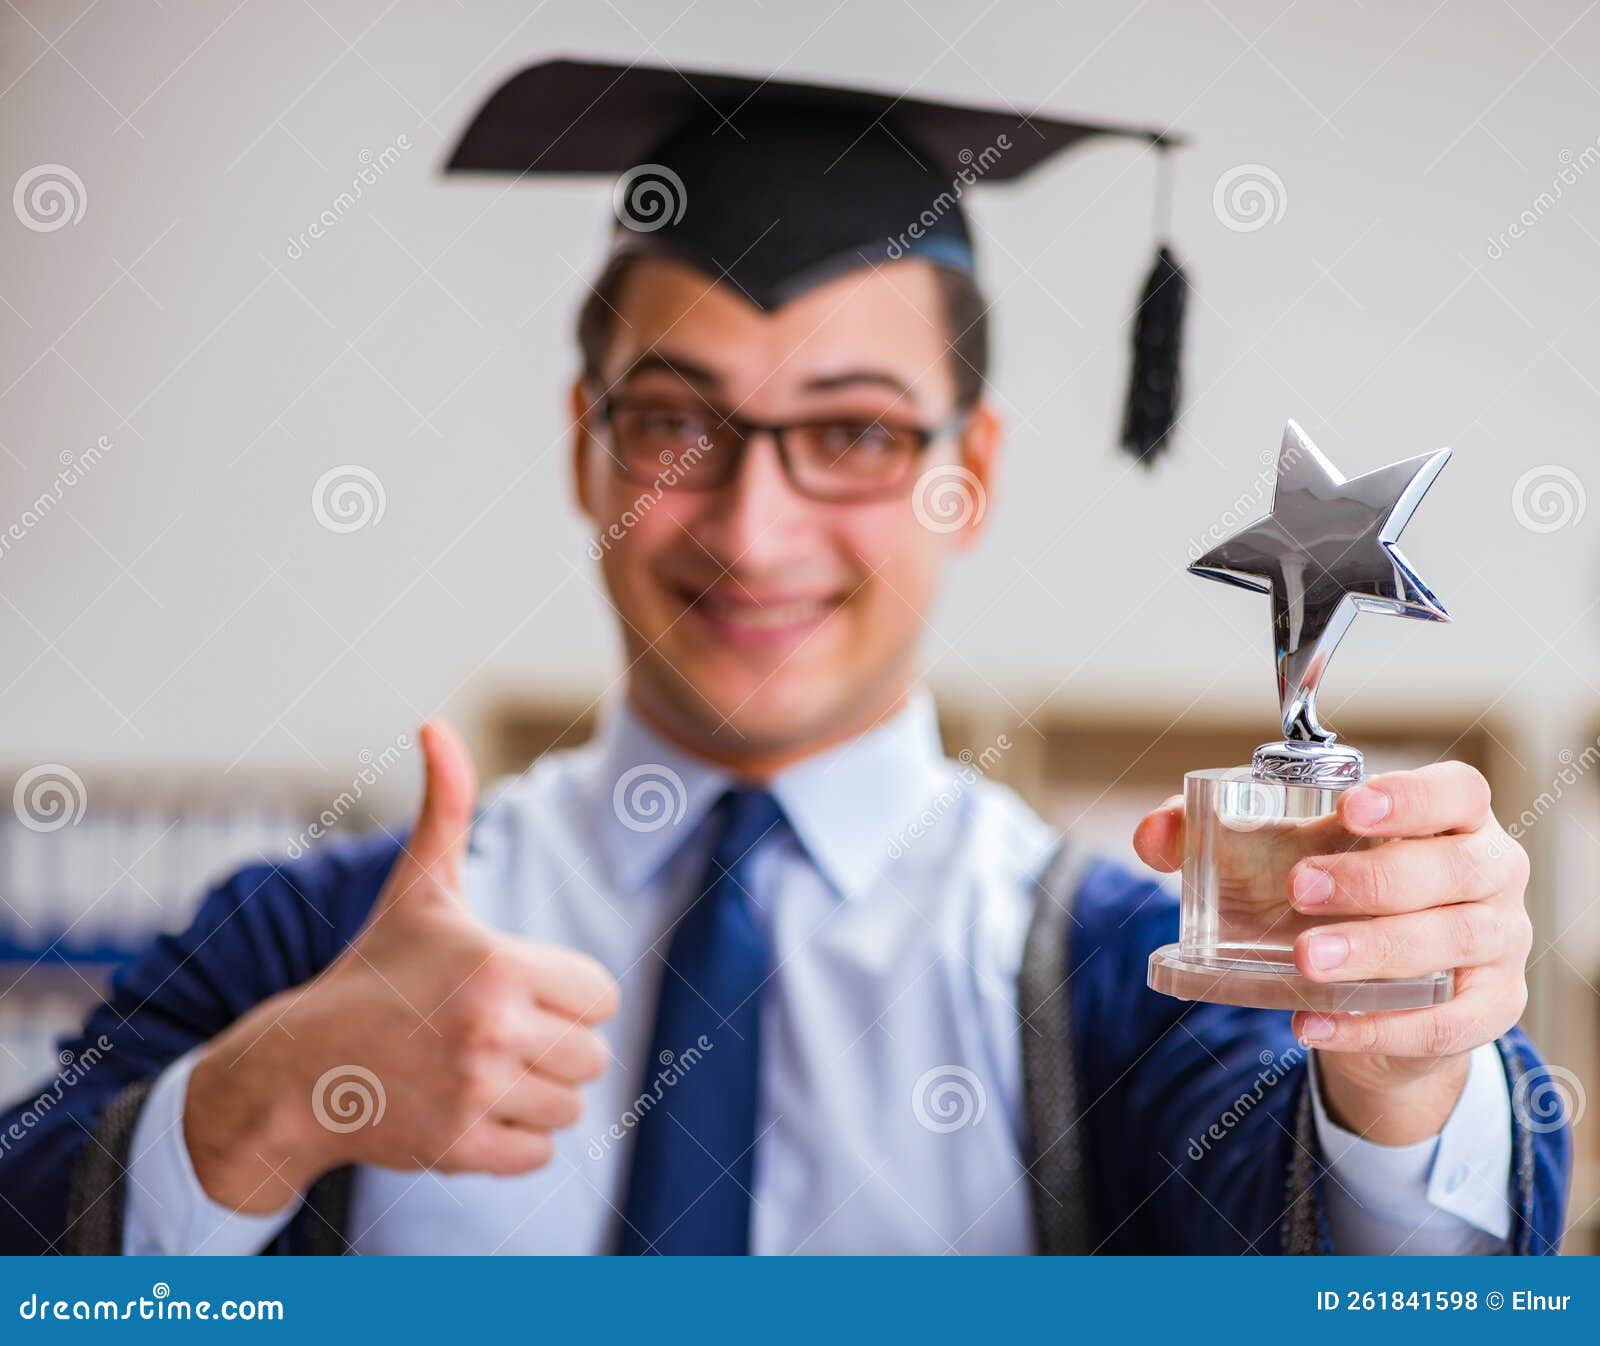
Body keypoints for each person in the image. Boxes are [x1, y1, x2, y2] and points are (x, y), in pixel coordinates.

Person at [0, 61, 1567, 1256]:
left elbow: (1360, 1281)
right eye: (677, 423)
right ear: (587, 445)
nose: (753, 531)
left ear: (971, 473)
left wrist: (1403, 1073)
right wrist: (270, 1099)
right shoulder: (328, 944)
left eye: (855, 434)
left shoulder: (1114, 977)